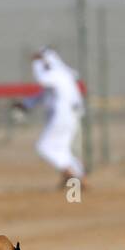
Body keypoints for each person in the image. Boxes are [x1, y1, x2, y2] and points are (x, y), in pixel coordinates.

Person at [17, 46, 85, 186]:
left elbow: (41, 80)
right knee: (62, 149)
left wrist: (36, 63)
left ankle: (72, 174)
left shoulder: (56, 73)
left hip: (63, 116)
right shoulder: (59, 75)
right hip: (69, 116)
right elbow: (43, 95)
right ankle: (77, 178)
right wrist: (26, 104)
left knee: (44, 147)